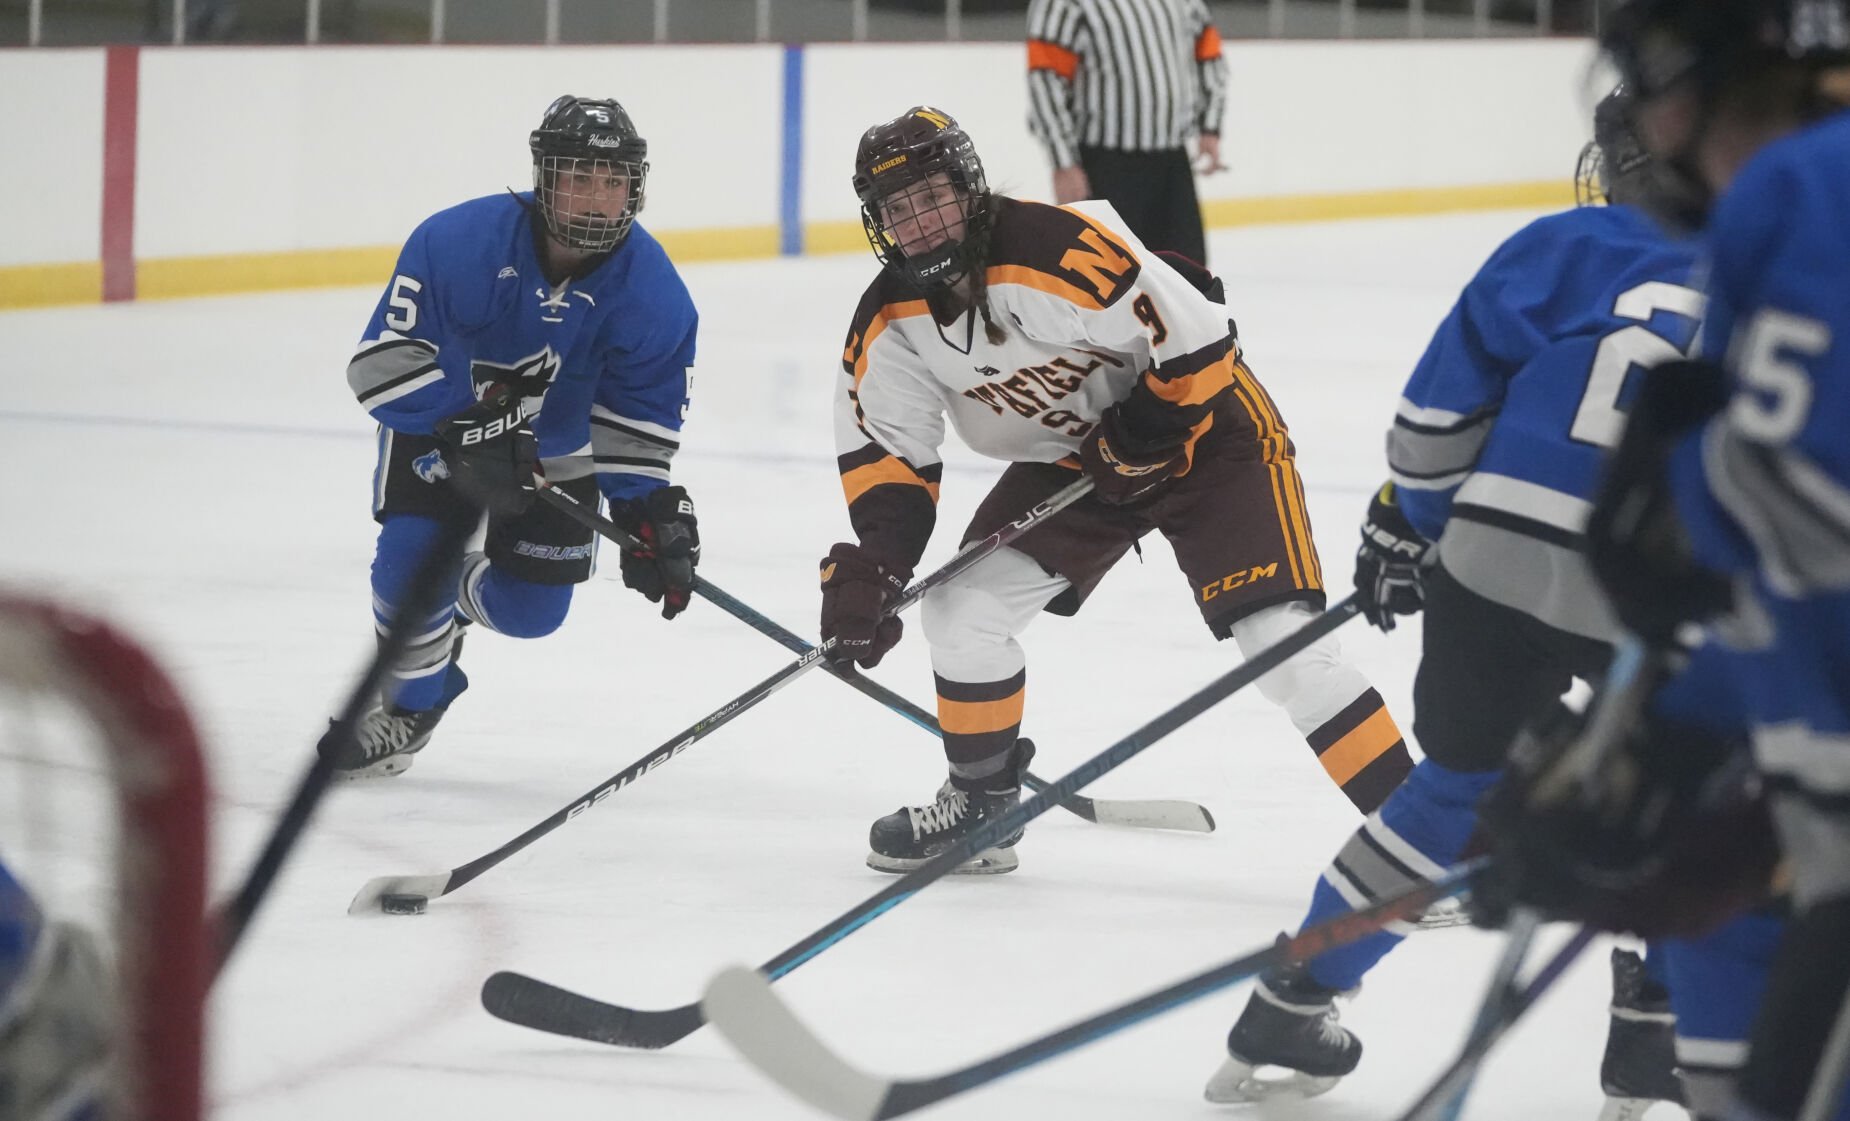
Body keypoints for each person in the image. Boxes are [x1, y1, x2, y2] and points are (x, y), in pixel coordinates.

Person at [1199, 88, 1706, 1104]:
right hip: (1655, 584)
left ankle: (1291, 1000)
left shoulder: (1557, 243)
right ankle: (1654, 1031)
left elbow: (1434, 420)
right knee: (1686, 794)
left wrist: (1419, 524)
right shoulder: (1789, 273)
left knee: (1452, 784)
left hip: (1492, 565)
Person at [819, 105, 1413, 877]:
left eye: (931, 196)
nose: (920, 222)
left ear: (967, 189)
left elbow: (1201, 336)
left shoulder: (1050, 249)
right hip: (1079, 461)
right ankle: (982, 807)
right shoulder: (890, 320)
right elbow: (888, 458)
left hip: (1207, 434)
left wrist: (1142, 434)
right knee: (962, 609)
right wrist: (878, 567)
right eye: (898, 210)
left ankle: (1426, 845)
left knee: (1284, 647)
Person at [1478, 0, 1850, 1116]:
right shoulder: (1779, 212)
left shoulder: (1802, 195)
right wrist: (1676, 741)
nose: (1643, 114)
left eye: (1654, 81)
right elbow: (1805, 590)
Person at [320, 95, 701, 780]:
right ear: (545, 178)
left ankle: (453, 603)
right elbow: (380, 365)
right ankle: (412, 708)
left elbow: (636, 420)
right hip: (442, 427)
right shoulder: (456, 241)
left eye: (613, 182)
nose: (596, 199)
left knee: (532, 615)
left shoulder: (654, 290)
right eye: (579, 177)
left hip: (553, 453)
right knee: (408, 566)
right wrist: (463, 424)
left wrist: (647, 509)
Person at [1026, 0, 1227, 265]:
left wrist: (1209, 125)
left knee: (1189, 281)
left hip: (1172, 165)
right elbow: (1046, 78)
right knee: (1110, 280)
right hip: (1106, 168)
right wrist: (1064, 163)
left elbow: (1207, 50)